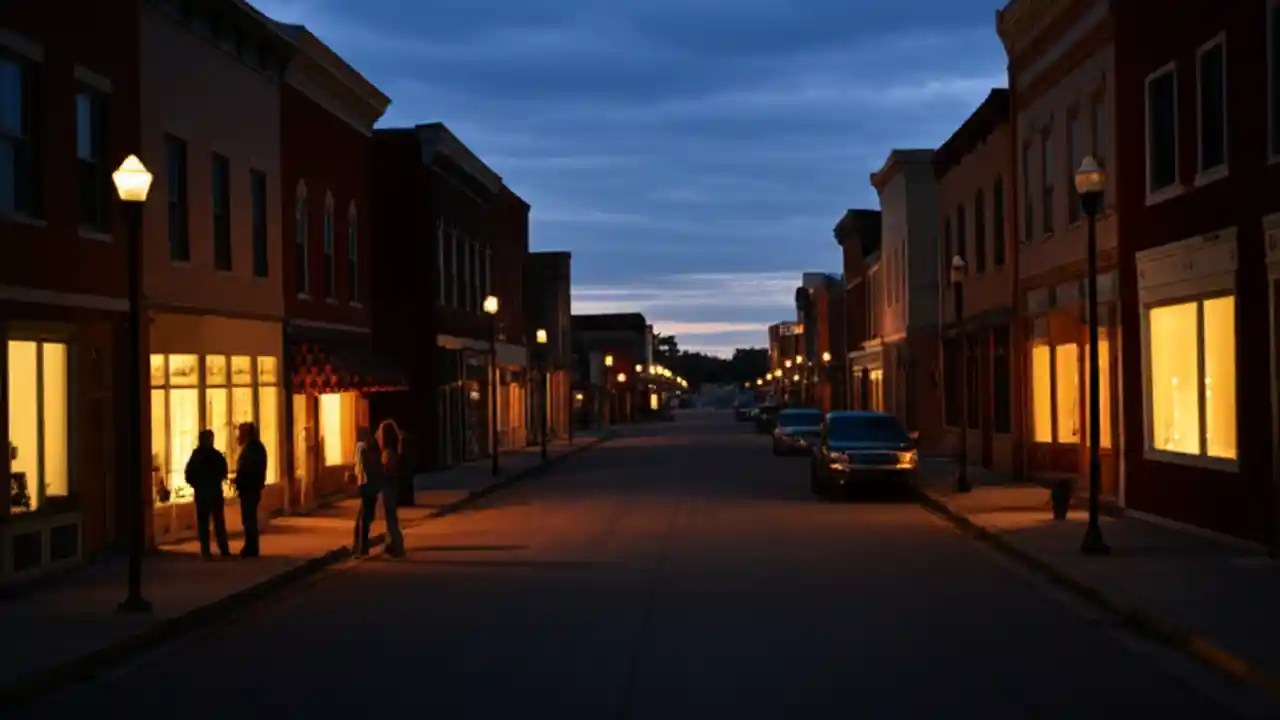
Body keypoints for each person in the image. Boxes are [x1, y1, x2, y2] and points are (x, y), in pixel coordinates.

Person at [185, 430, 231, 560]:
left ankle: (222, 549)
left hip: (212, 493)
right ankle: (207, 550)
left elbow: (223, 471)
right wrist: (199, 485)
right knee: (206, 523)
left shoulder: (213, 455)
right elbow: (189, 475)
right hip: (206, 494)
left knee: (217, 523)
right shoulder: (199, 456)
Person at [234, 422, 268, 558]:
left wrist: (240, 479)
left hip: (250, 487)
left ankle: (251, 547)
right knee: (249, 518)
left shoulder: (251, 448)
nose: (238, 437)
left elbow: (248, 468)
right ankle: (251, 546)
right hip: (252, 486)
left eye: (240, 433)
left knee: (249, 519)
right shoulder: (256, 447)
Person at [377, 419, 405, 558]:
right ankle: (391, 544)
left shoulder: (388, 454)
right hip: (390, 488)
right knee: (391, 518)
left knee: (391, 518)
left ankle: (397, 545)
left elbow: (386, 471)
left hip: (388, 489)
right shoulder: (391, 451)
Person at [351, 427, 380, 557]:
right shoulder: (368, 448)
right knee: (365, 517)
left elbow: (361, 467)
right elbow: (364, 467)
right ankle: (361, 547)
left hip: (367, 484)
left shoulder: (363, 448)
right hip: (370, 484)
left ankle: (361, 547)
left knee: (364, 517)